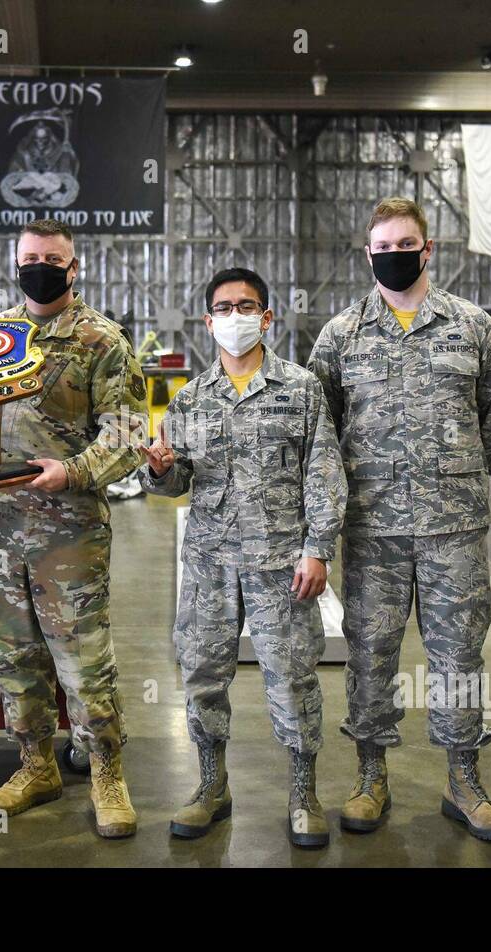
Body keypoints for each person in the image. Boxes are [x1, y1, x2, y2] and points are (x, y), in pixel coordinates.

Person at [307, 196, 491, 842]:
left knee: (458, 654)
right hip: (371, 529)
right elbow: (321, 425)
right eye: (384, 246)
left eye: (407, 246)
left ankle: (464, 778)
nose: (395, 256)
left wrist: (456, 472)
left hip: (453, 529)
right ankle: (371, 775)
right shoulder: (341, 335)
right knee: (372, 653)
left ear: (429, 251)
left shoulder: (472, 327)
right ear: (367, 253)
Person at [141, 267, 346, 847]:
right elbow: (175, 481)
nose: (236, 317)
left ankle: (303, 794)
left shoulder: (300, 388)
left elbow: (324, 475)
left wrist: (318, 549)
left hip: (282, 564)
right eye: (224, 308)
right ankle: (211, 787)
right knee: (203, 676)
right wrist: (158, 469)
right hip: (209, 564)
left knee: (293, 679)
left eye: (247, 305)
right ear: (208, 322)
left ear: (266, 316)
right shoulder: (190, 398)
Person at [0, 218, 147, 839]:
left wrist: (72, 472)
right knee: (14, 656)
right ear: (14, 264)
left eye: (52, 259)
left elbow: (128, 434)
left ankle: (105, 771)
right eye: (29, 258)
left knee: (82, 661)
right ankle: (35, 764)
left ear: (74, 268)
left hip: (67, 530)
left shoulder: (101, 340)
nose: (39, 267)